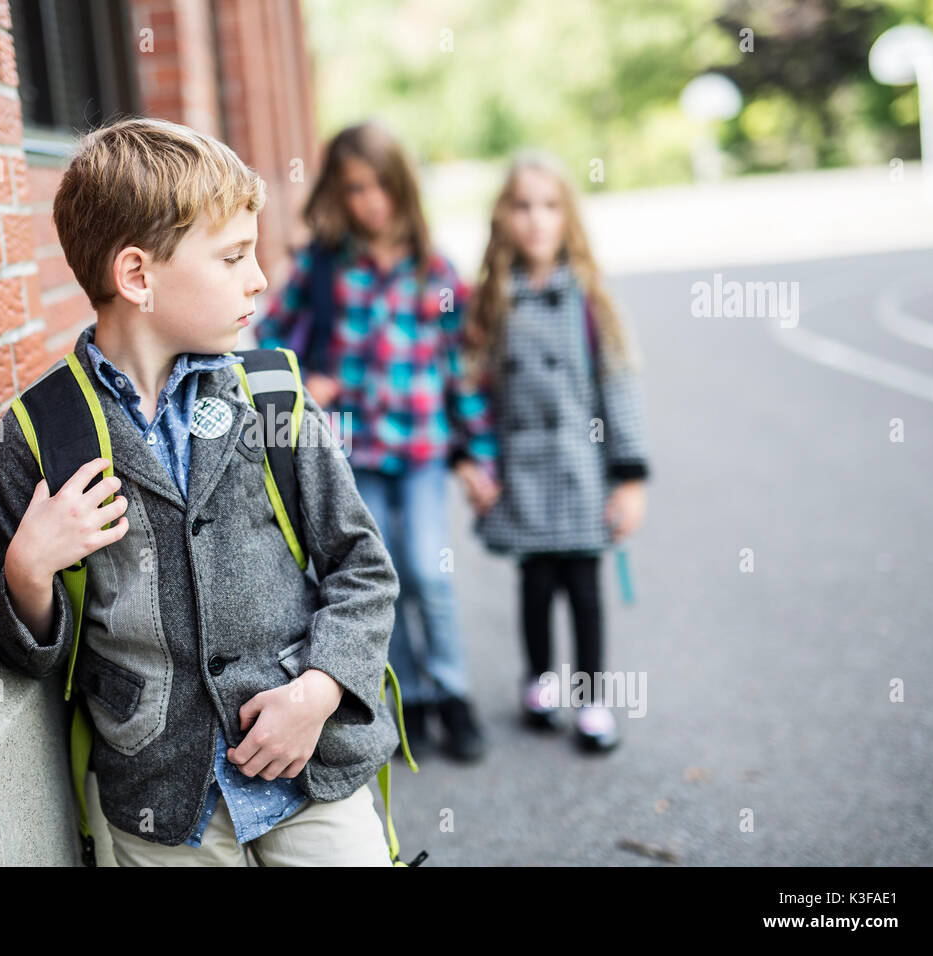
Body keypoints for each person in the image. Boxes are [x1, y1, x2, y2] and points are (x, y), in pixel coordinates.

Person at [0, 116, 403, 865]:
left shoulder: (271, 396)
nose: (260, 278)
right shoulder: (44, 434)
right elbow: (42, 659)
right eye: (234, 257)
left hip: (309, 766)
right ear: (138, 277)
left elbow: (362, 568)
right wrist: (28, 573)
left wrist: (321, 690)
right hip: (160, 794)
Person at [253, 120, 501, 762]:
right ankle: (408, 692)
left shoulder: (435, 268)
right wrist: (310, 384)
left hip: (421, 452)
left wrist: (477, 454)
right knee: (376, 576)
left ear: (403, 188)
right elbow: (268, 344)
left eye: (382, 187)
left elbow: (461, 367)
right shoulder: (322, 266)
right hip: (352, 454)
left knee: (429, 572)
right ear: (337, 191)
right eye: (356, 188)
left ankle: (453, 693)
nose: (372, 203)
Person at [466, 148, 650, 752]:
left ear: (568, 217)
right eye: (522, 207)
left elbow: (617, 388)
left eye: (550, 206)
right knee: (535, 581)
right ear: (503, 218)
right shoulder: (492, 303)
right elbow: (472, 392)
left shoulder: (589, 302)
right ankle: (540, 680)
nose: (536, 220)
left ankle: (594, 697)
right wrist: (476, 464)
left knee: (584, 586)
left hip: (580, 471)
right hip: (521, 473)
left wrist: (628, 476)